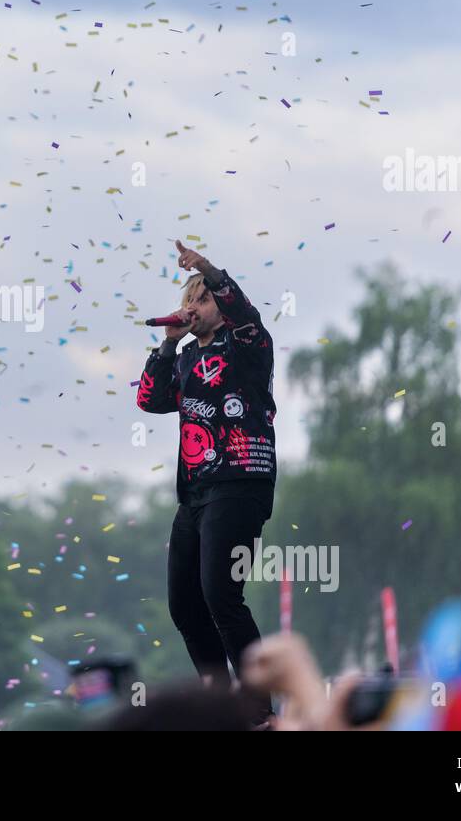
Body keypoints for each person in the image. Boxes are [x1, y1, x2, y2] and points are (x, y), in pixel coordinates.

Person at [136, 238, 278, 725]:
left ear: (222, 306)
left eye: (202, 299)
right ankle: (221, 704)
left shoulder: (248, 344)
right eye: (188, 299)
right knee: (185, 606)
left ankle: (259, 708)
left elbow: (245, 313)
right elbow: (149, 401)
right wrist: (169, 341)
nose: (191, 307)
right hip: (195, 491)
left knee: (222, 594)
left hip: (241, 481)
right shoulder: (183, 357)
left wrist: (211, 270)